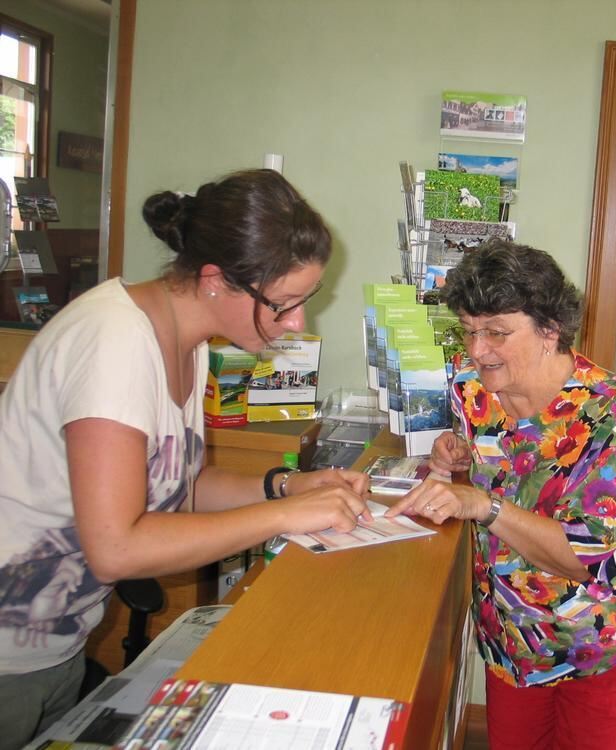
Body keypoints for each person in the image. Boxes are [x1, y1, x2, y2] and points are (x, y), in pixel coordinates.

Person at [0, 169, 372, 749]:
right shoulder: (114, 345)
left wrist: (285, 488)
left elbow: (177, 485)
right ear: (216, 280)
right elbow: (118, 545)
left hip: (56, 642)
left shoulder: (188, 343)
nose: (298, 323)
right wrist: (282, 519)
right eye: (284, 304)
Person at [386, 239, 616, 749]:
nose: (476, 350)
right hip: (513, 640)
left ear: (549, 330)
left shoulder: (611, 412)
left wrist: (484, 506)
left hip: (603, 643)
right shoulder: (473, 392)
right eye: (469, 331)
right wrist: (453, 459)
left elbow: (589, 558)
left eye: (496, 332)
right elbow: (500, 464)